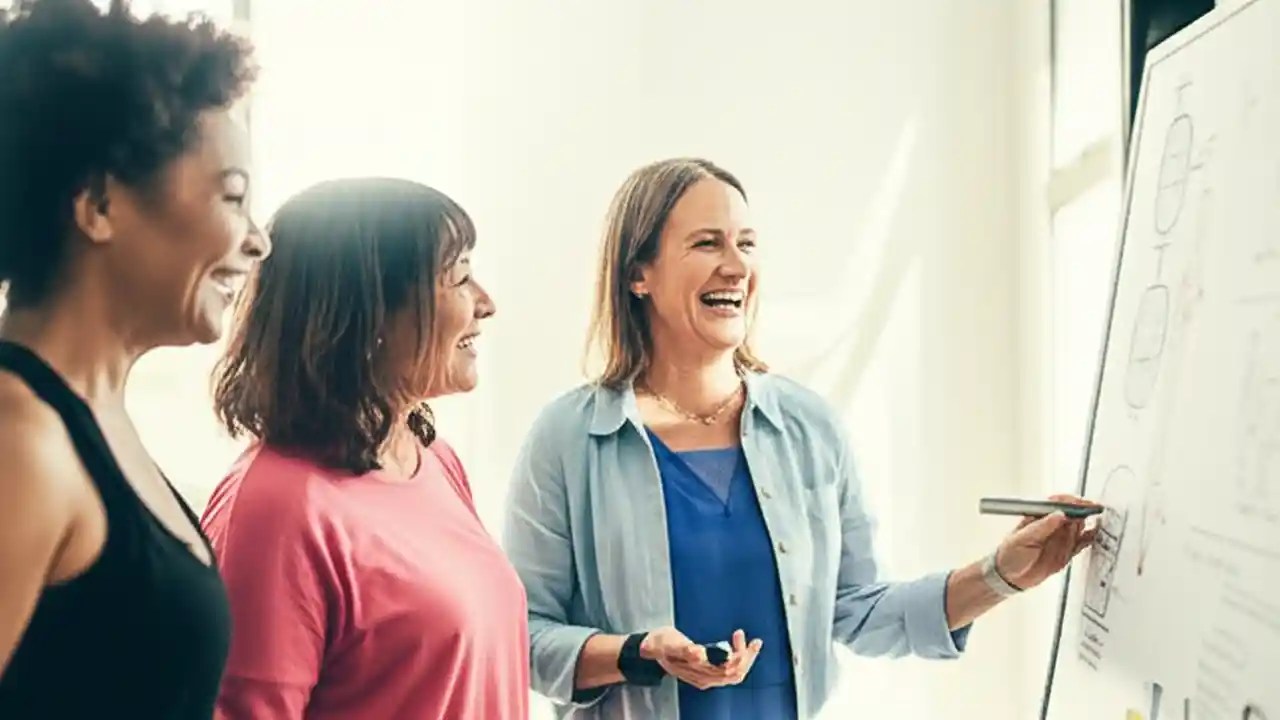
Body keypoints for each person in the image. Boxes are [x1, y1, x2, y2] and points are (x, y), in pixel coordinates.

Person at [501, 157, 1100, 720]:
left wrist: (1001, 574)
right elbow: (521, 635)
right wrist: (638, 653)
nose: (736, 266)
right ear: (638, 275)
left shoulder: (809, 427)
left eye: (747, 243)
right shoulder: (569, 439)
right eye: (707, 242)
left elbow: (860, 609)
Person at [0, 1, 264, 716]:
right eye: (233, 197)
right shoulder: (19, 439)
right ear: (98, 204)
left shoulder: (95, 418)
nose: (257, 241)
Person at [202, 177, 529, 720]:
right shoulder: (276, 508)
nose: (486, 303)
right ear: (370, 313)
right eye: (461, 277)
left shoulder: (433, 460)